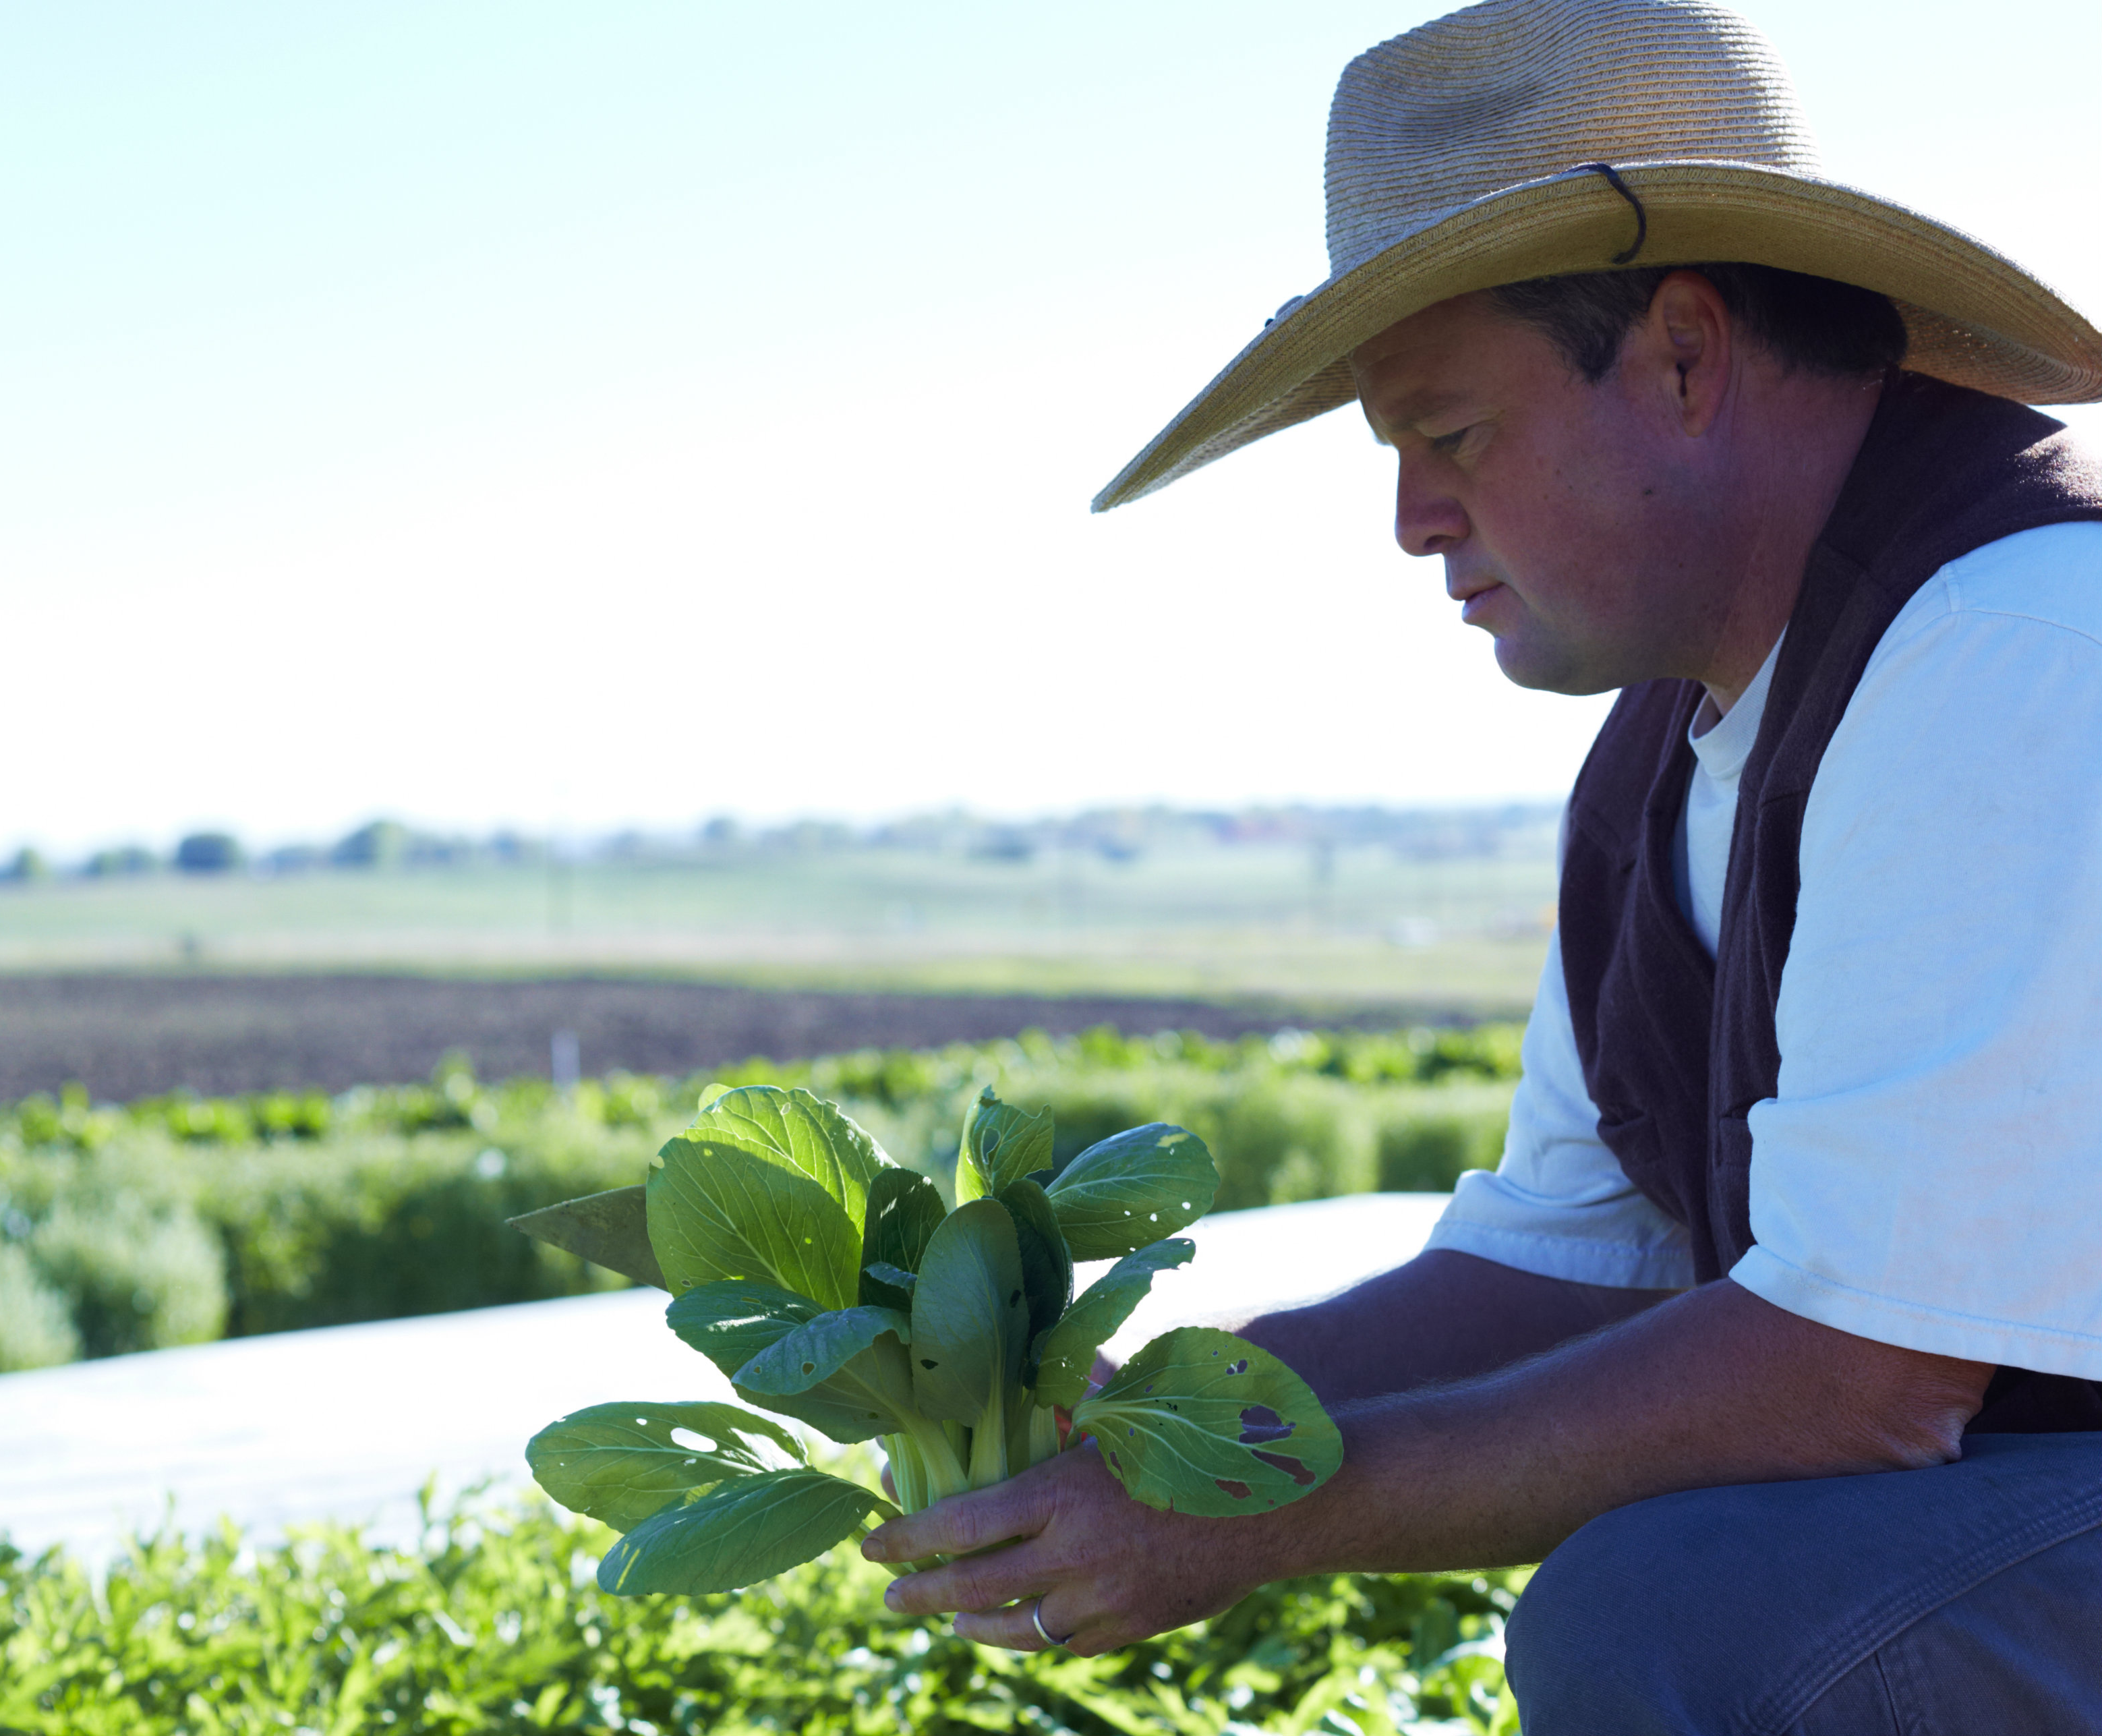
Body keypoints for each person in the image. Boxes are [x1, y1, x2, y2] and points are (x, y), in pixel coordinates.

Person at [859, 0, 2102, 1727]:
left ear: (1681, 354)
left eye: (1450, 438)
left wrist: (1258, 1513)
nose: (1411, 522)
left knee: (1684, 1621)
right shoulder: (1668, 756)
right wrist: (1160, 1420)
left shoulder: (2013, 650)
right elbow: (1563, 1262)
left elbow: (1859, 1381)